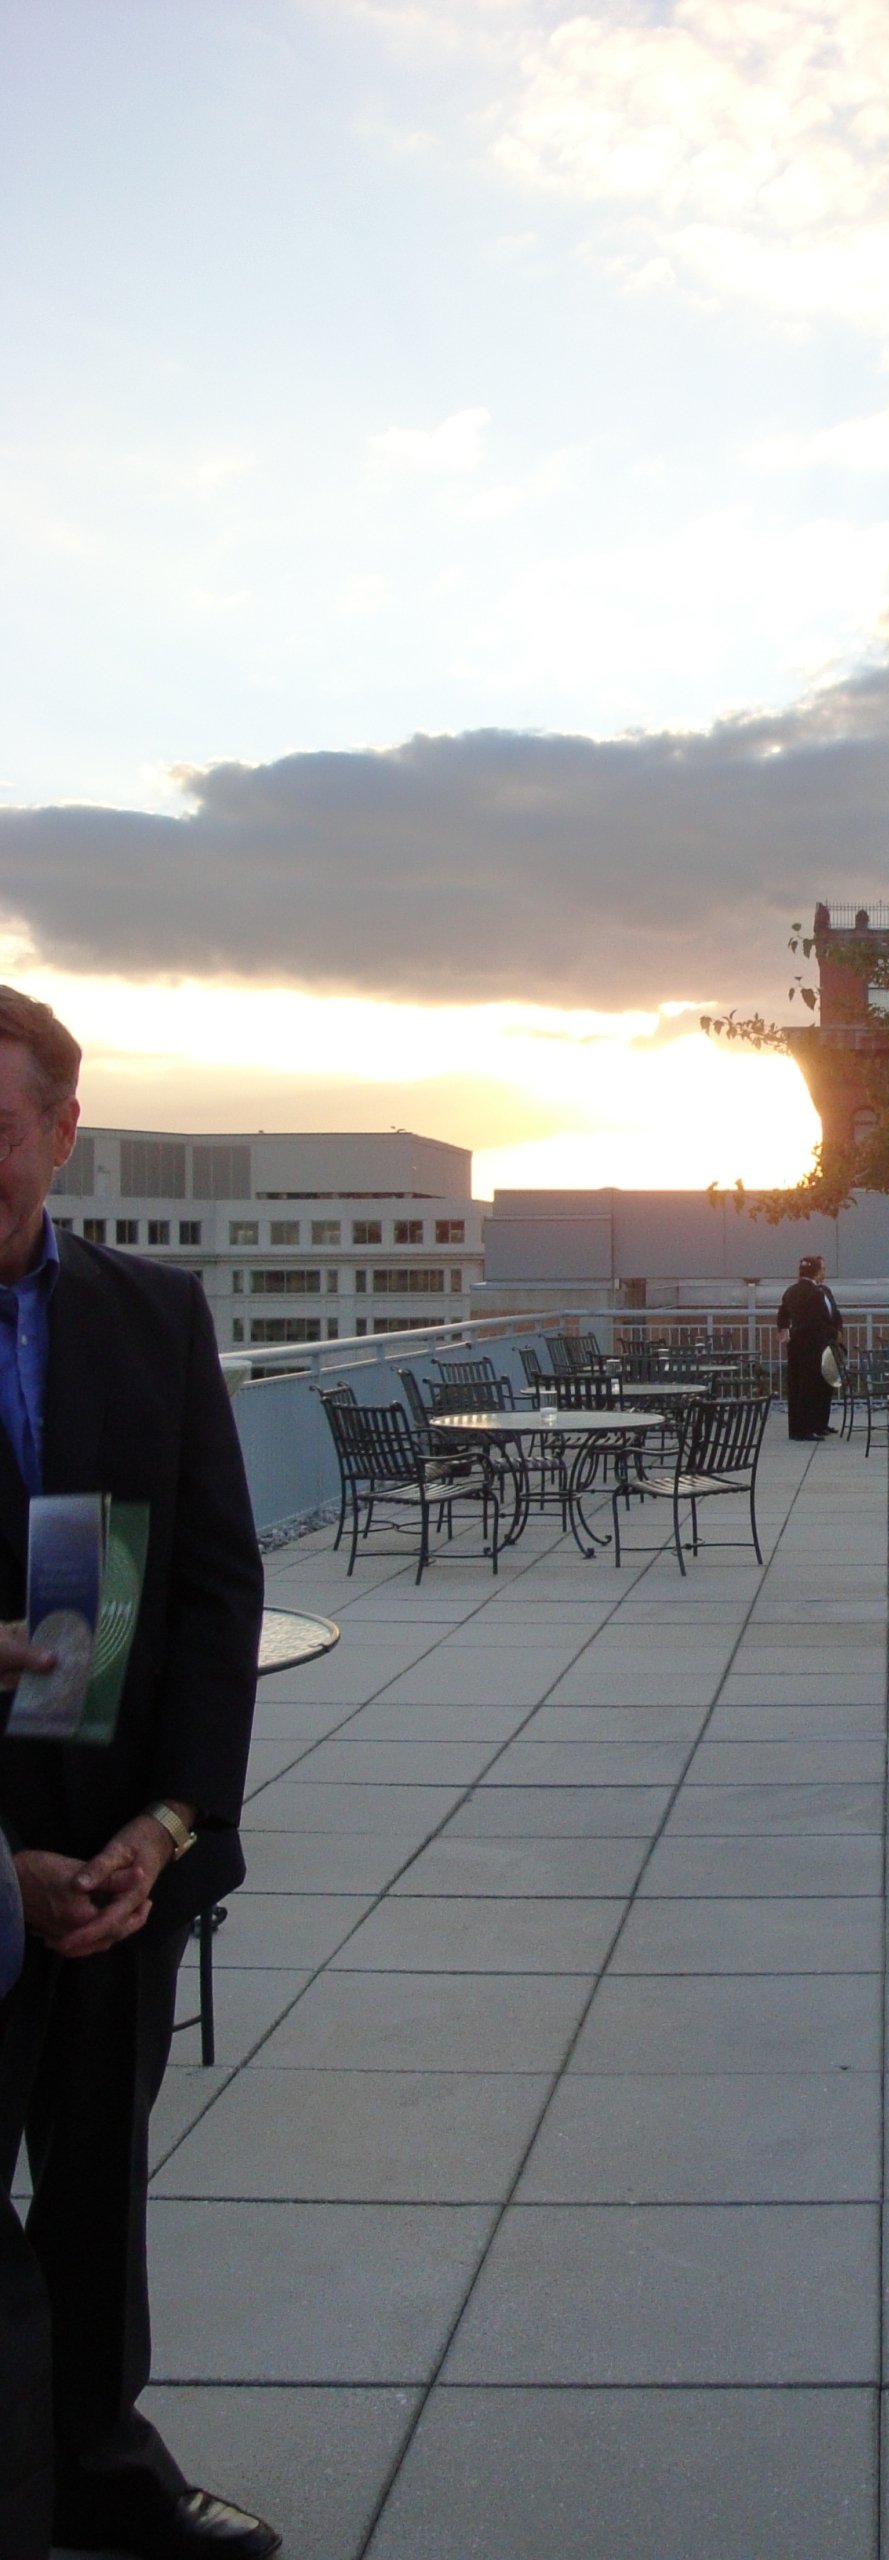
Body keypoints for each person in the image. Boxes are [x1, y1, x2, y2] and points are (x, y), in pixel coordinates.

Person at [0, 987, 275, 2560]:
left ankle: (104, 2474)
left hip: (122, 1849)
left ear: (61, 1132)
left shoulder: (153, 1314)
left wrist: (166, 1825)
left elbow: (215, 1586)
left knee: (97, 2186)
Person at [777, 1253, 842, 1439]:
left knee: (806, 1386)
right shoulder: (814, 1293)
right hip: (812, 1345)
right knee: (808, 1387)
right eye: (822, 1269)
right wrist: (834, 1334)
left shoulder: (793, 1291)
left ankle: (812, 1425)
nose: (824, 1273)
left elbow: (782, 1314)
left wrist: (784, 1330)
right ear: (816, 1272)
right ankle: (804, 1429)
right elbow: (816, 1321)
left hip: (799, 1345)